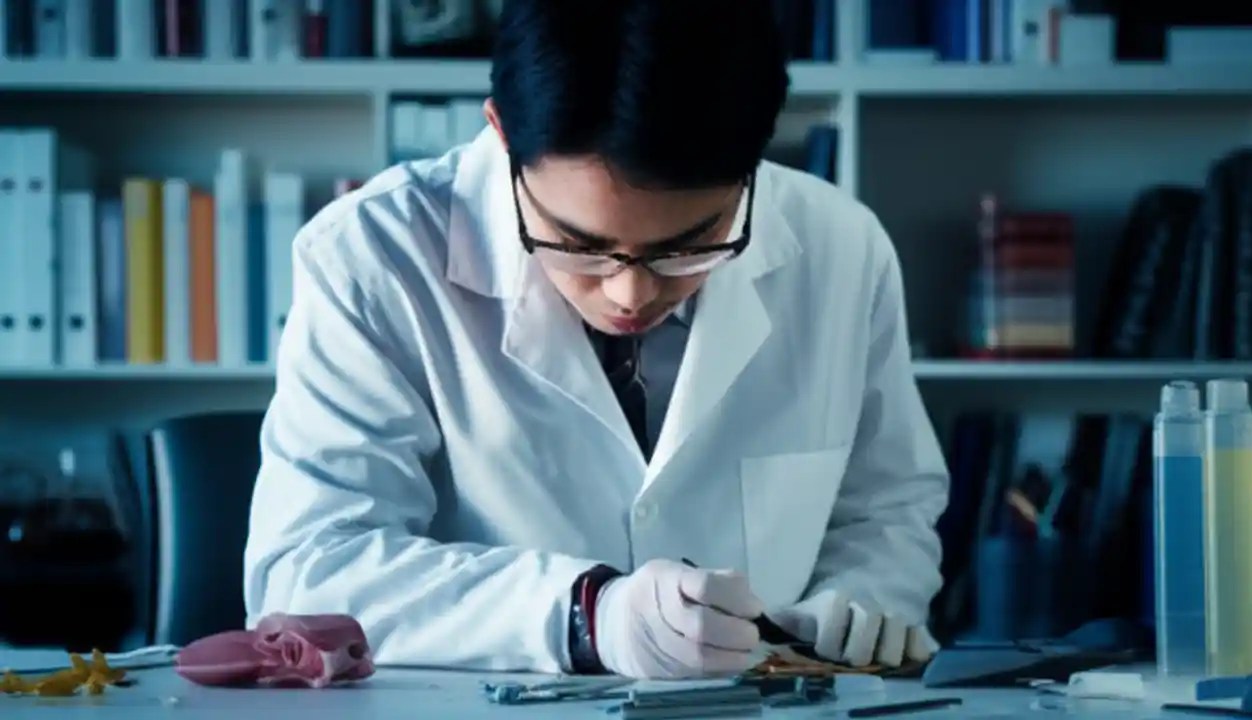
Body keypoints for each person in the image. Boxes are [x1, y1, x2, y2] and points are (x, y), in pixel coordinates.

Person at [242, 0, 950, 680]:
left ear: (753, 163)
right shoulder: (373, 255)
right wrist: (585, 616)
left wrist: (859, 603)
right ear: (501, 134)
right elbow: (310, 571)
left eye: (690, 245)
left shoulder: (840, 246)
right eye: (577, 245)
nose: (630, 293)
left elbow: (888, 510)